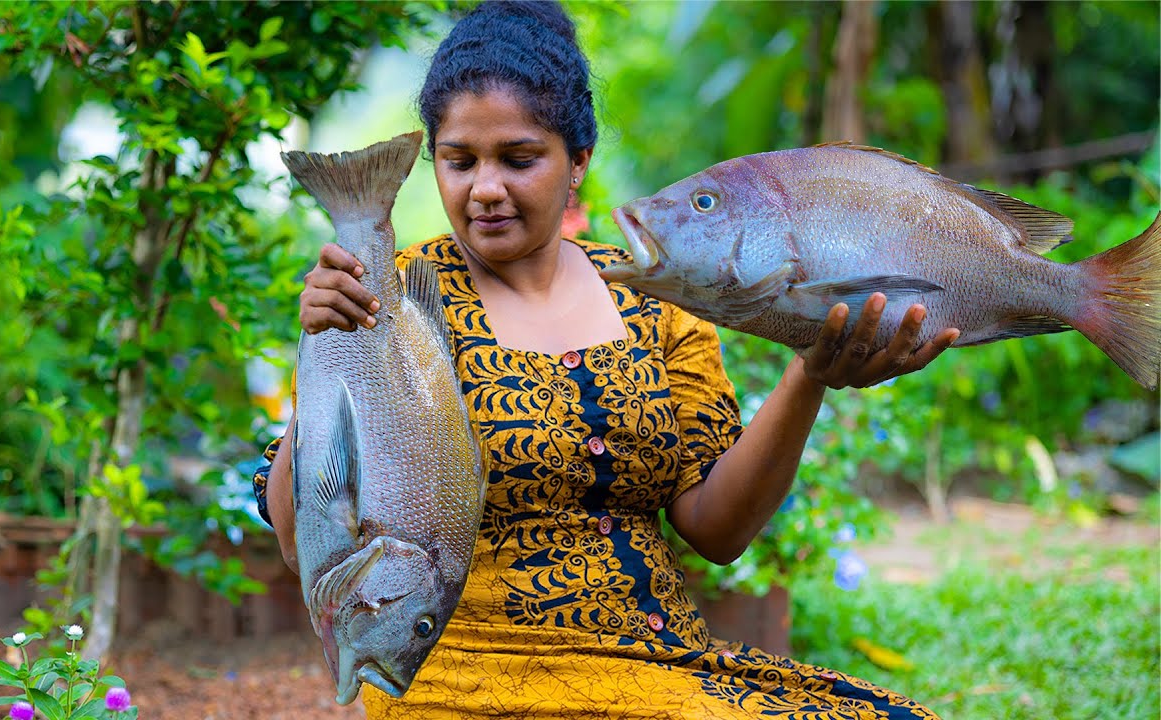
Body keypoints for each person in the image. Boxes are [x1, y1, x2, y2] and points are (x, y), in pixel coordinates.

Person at [253, 2, 957, 717]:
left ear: (578, 162)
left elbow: (717, 530)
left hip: (661, 668)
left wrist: (809, 375)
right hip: (465, 684)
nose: (485, 188)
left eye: (519, 159)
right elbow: (297, 535)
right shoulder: (397, 297)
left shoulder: (655, 297)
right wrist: (325, 344)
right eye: (459, 161)